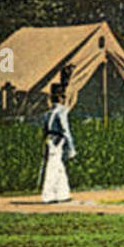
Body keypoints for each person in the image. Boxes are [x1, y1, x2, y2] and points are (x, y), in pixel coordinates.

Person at [40, 71, 76, 204]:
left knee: (59, 167)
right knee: (53, 167)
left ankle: (63, 193)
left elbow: (44, 130)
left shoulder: (48, 113)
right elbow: (65, 130)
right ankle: (48, 195)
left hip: (51, 140)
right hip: (57, 141)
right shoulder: (61, 112)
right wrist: (71, 147)